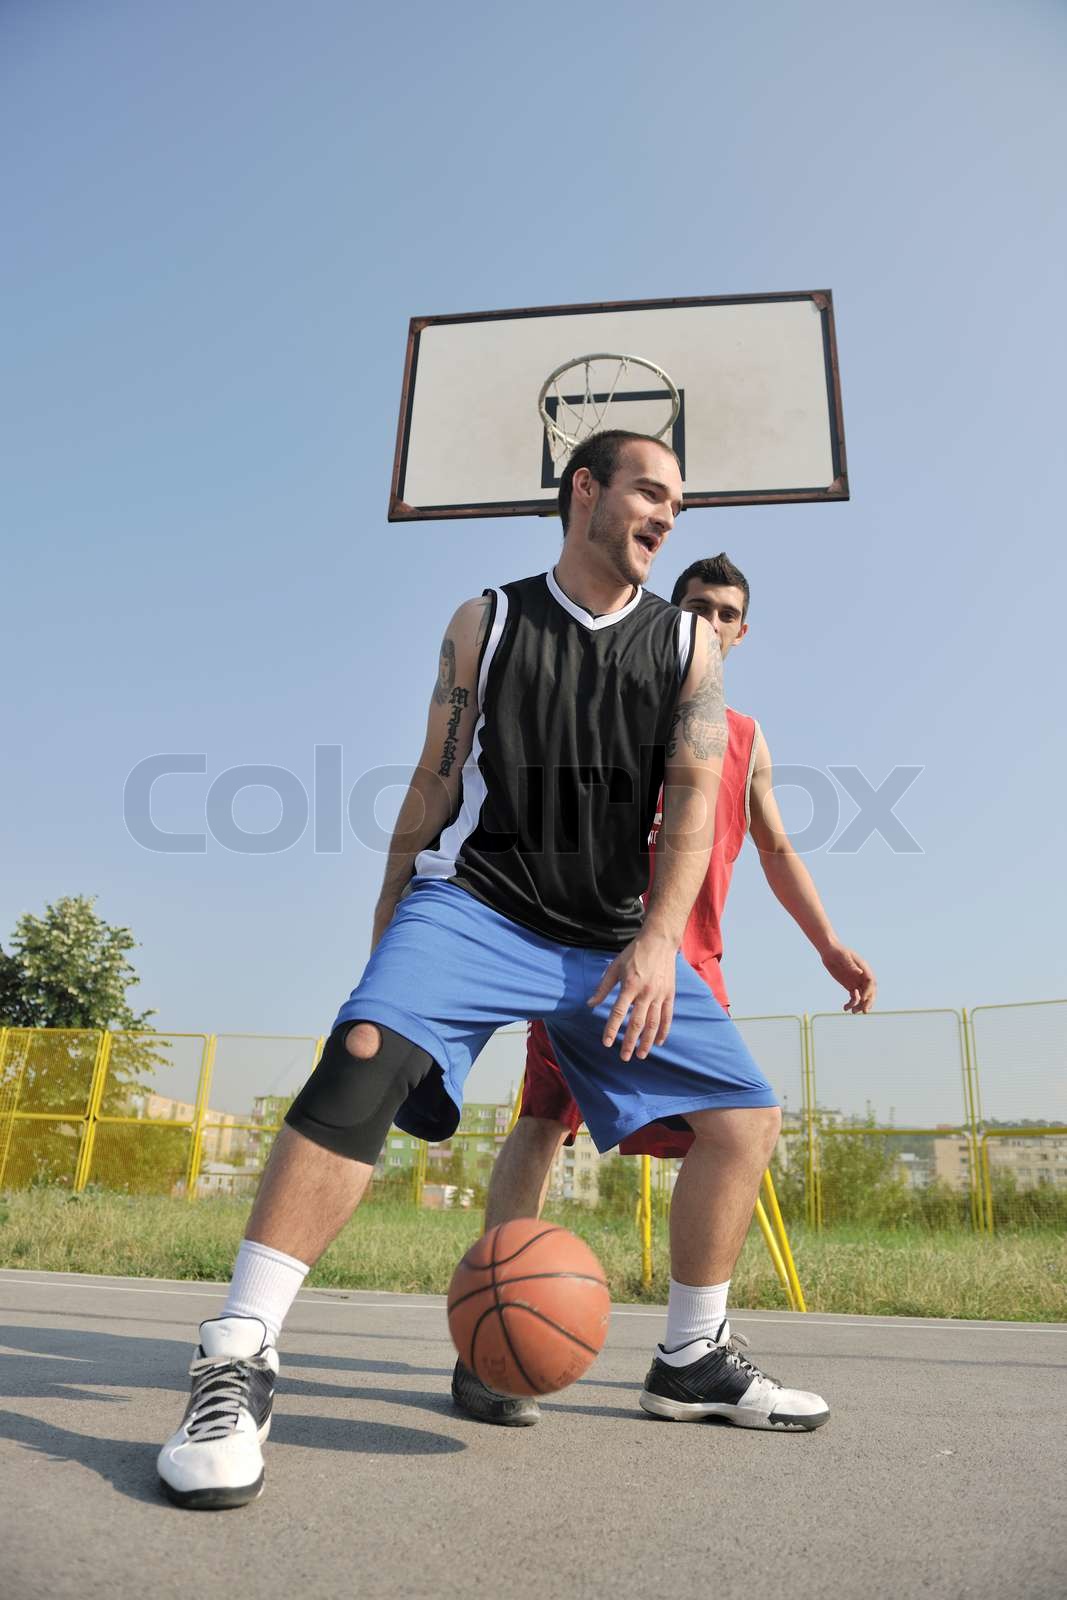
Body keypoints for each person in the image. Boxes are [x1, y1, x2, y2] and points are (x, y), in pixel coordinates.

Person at [158, 430, 828, 1513]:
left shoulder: (686, 650)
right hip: (476, 904)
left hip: (608, 937)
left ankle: (690, 1358)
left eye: (677, 503)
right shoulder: (486, 621)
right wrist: (390, 909)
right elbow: (434, 779)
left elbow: (693, 804)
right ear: (584, 491)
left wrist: (659, 938)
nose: (667, 515)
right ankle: (236, 1356)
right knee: (363, 1052)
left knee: (744, 1118)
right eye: (649, 491)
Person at [451, 552, 876, 1425]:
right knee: (544, 1120)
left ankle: (690, 1348)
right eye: (695, 608)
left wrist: (827, 943)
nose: (709, 623)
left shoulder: (745, 737)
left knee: (736, 1130)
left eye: (724, 613)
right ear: (667, 618)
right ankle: (498, 1348)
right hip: (597, 952)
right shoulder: (622, 706)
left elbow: (774, 848)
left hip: (692, 971)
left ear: (742, 632)